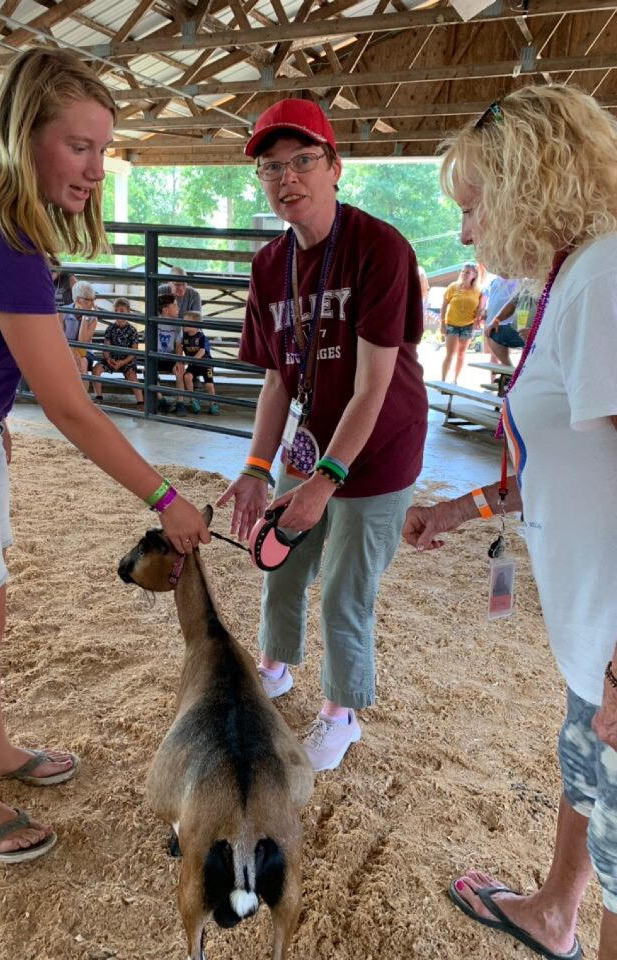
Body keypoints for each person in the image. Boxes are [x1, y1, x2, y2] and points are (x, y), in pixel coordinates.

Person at [0, 47, 209, 866]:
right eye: (80, 146)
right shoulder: (3, 236)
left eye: (104, 149)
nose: (97, 168)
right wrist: (164, 498)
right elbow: (70, 406)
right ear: (26, 134)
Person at [403, 85, 617, 960]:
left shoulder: (605, 278)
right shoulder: (576, 275)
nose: (464, 234)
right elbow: (572, 464)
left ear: (530, 181)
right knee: (583, 777)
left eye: (473, 204)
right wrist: (467, 506)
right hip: (592, 633)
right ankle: (553, 911)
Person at [217, 98, 428, 773]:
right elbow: (279, 376)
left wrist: (325, 483)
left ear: (335, 166)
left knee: (345, 586)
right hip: (311, 443)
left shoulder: (380, 248)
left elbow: (372, 387)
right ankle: (275, 667)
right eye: (271, 168)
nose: (288, 179)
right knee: (277, 555)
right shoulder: (267, 265)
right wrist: (256, 466)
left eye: (303, 160)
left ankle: (342, 714)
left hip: (378, 447)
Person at [91, 297, 143, 405]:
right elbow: (106, 348)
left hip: (127, 360)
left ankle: (140, 402)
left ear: (128, 312)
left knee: (131, 375)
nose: (119, 313)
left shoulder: (132, 330)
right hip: (112, 359)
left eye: (122, 311)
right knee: (96, 369)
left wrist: (122, 362)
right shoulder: (110, 329)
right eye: (116, 311)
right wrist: (109, 359)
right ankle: (99, 396)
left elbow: (134, 352)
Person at [440, 262, 485, 381]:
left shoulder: (478, 291)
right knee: (450, 354)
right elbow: (444, 306)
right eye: (463, 272)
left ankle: (455, 380)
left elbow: (480, 309)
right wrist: (442, 324)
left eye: (468, 272)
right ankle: (443, 381)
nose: (465, 274)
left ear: (474, 275)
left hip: (468, 326)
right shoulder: (453, 287)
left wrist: (478, 320)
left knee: (461, 354)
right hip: (452, 324)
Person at [182, 309, 219, 415]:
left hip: (205, 364)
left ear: (195, 325)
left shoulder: (202, 337)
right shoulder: (184, 337)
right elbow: (183, 349)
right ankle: (193, 400)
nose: (183, 324)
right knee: (187, 377)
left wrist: (190, 360)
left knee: (209, 385)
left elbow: (202, 351)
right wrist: (184, 361)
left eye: (186, 321)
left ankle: (213, 403)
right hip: (193, 364)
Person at [156, 292, 186, 416]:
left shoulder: (177, 325)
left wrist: (179, 361)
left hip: (170, 357)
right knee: (148, 371)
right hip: (156, 356)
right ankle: (161, 400)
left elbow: (179, 345)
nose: (178, 308)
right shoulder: (154, 322)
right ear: (166, 310)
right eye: (175, 305)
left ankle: (180, 403)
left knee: (179, 371)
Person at [484, 275, 522, 366]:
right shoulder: (526, 283)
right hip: (517, 327)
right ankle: (509, 370)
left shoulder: (519, 281)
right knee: (493, 333)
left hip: (539, 332)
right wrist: (496, 320)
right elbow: (513, 302)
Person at [71, 279, 100, 382]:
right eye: (89, 300)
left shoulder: (93, 318)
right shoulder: (62, 312)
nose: (92, 304)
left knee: (82, 363)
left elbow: (83, 343)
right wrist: (72, 350)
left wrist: (85, 317)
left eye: (93, 299)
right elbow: (58, 339)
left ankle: (80, 398)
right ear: (78, 300)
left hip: (85, 352)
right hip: (66, 349)